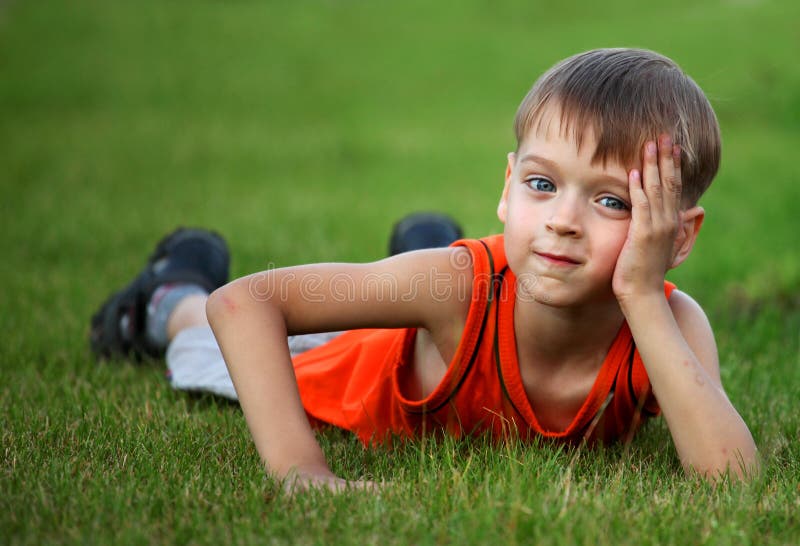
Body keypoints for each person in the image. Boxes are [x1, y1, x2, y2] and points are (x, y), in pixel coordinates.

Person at [91, 48, 758, 492]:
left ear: (677, 236)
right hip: (352, 354)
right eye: (541, 184)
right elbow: (243, 306)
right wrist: (303, 473)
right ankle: (170, 287)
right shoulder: (458, 287)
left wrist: (641, 295)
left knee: (427, 277)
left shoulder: (670, 323)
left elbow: (731, 479)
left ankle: (424, 241)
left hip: (433, 315)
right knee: (207, 347)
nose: (563, 220)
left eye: (611, 201)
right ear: (507, 187)